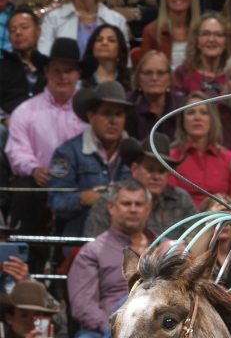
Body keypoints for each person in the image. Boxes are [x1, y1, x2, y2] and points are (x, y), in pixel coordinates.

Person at [66, 177, 149, 338]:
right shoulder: (92, 251)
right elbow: (83, 306)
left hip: (154, 328)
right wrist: (118, 329)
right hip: (106, 330)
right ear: (111, 207)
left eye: (138, 204)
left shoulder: (163, 247)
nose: (133, 209)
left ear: (148, 209)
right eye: (126, 203)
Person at [6, 38, 85, 236]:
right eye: (57, 70)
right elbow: (16, 150)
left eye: (68, 71)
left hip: (78, 183)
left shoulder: (89, 112)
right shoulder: (25, 111)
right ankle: (23, 254)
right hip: (38, 183)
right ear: (46, 71)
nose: (63, 76)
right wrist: (33, 168)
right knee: (23, 190)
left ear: (78, 74)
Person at [47, 78, 130, 236]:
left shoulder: (134, 153)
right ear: (91, 116)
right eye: (106, 113)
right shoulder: (67, 152)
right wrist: (83, 199)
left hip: (128, 234)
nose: (113, 121)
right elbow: (55, 202)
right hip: (80, 233)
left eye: (118, 114)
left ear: (125, 118)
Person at [83, 135, 197, 237]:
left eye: (162, 171)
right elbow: (93, 241)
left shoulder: (181, 199)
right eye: (150, 170)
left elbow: (195, 238)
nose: (156, 177)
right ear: (134, 169)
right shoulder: (110, 198)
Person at [168, 93, 231, 202]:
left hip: (222, 217)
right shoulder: (170, 158)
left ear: (212, 119)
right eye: (191, 112)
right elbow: (170, 201)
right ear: (182, 120)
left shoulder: (230, 159)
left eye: (204, 113)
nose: (197, 118)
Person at [173, 13, 231, 98]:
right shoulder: (183, 73)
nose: (211, 39)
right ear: (196, 41)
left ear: (227, 42)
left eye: (218, 34)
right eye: (205, 34)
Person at [0, 8, 45, 114]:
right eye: (12, 30)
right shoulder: (2, 67)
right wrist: (5, 120)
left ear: (38, 32)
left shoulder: (49, 68)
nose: (18, 32)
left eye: (24, 27)